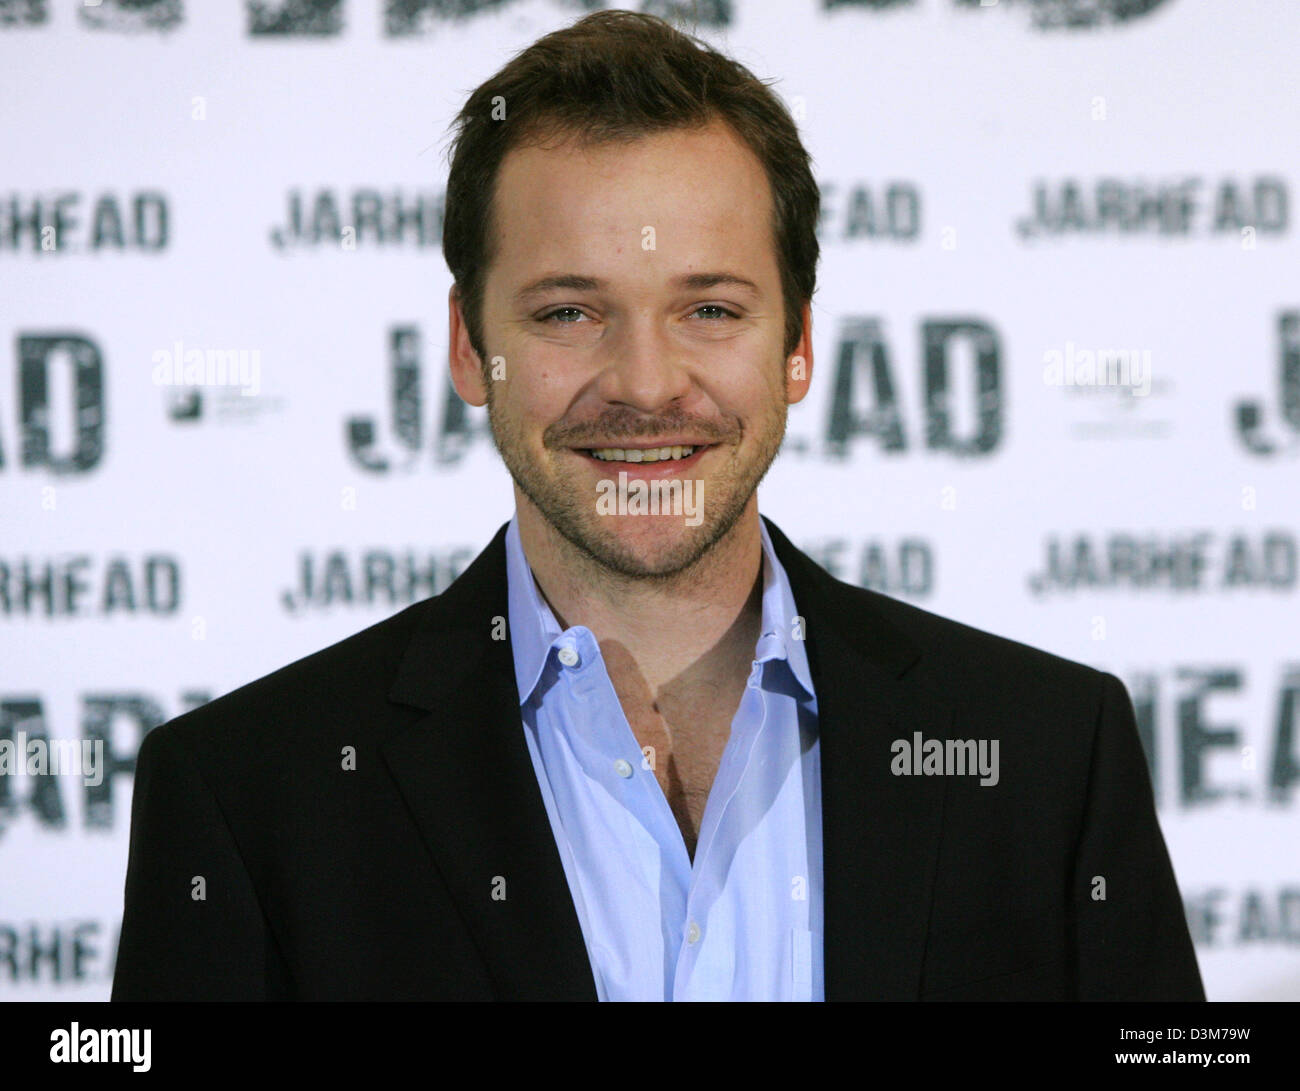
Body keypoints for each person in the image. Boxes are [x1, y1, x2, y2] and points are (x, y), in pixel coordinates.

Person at [112, 9, 1204, 1002]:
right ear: (465, 345)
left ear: (797, 344)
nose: (643, 383)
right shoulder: (251, 798)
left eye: (710, 308)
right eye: (570, 311)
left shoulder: (1047, 754)